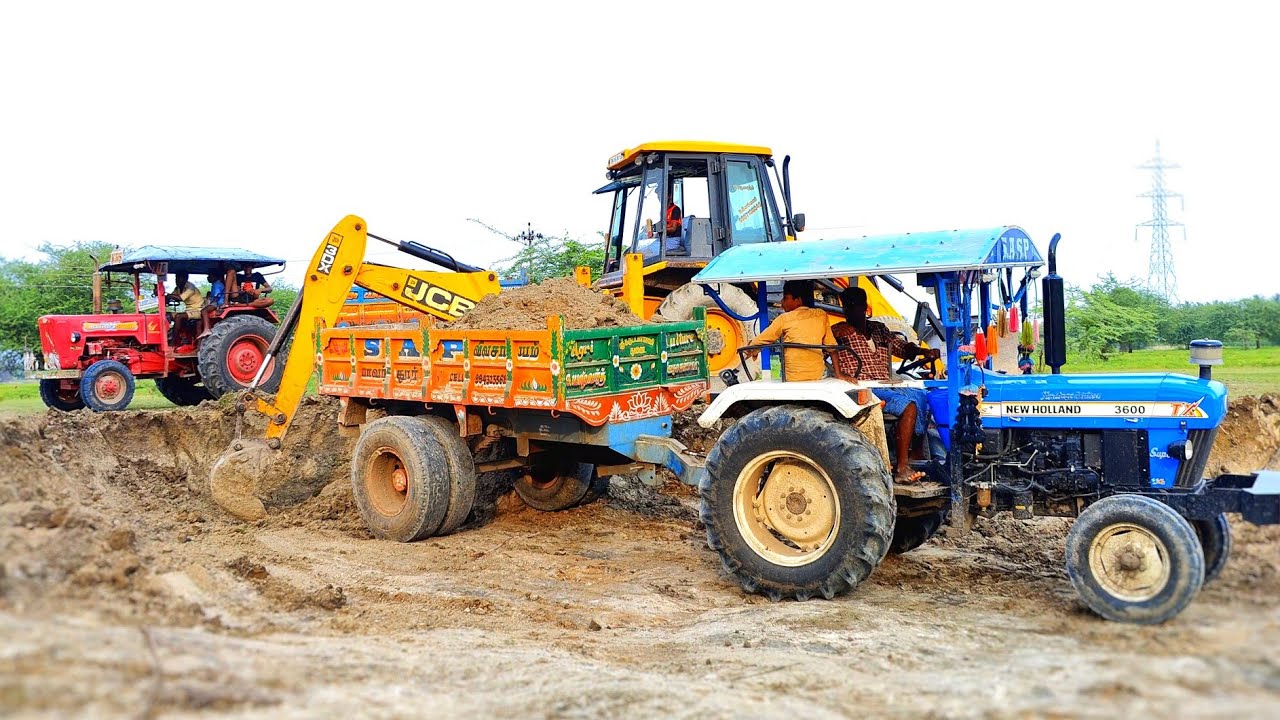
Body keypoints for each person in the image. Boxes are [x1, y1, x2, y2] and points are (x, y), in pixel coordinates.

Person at [831, 286, 941, 482]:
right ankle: (902, 467)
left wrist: (925, 352)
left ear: (864, 307)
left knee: (924, 396)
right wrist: (835, 331)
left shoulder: (879, 330)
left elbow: (902, 348)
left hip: (885, 383)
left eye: (854, 306)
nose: (849, 310)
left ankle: (916, 454)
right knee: (908, 406)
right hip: (862, 388)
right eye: (847, 307)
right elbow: (825, 342)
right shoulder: (839, 331)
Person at [743, 280, 835, 382]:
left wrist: (751, 349)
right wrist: (839, 374)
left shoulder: (785, 318)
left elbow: (764, 339)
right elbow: (832, 348)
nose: (782, 302)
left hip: (793, 378)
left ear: (798, 300)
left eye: (785, 298)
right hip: (818, 376)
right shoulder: (821, 315)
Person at [165, 273, 205, 339]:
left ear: (185, 279)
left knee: (178, 316)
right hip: (188, 310)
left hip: (198, 310)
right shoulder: (178, 288)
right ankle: (168, 336)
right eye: (176, 278)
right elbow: (172, 297)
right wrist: (163, 296)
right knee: (167, 315)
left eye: (178, 278)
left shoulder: (190, 287)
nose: (176, 280)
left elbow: (180, 298)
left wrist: (168, 295)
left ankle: (174, 340)